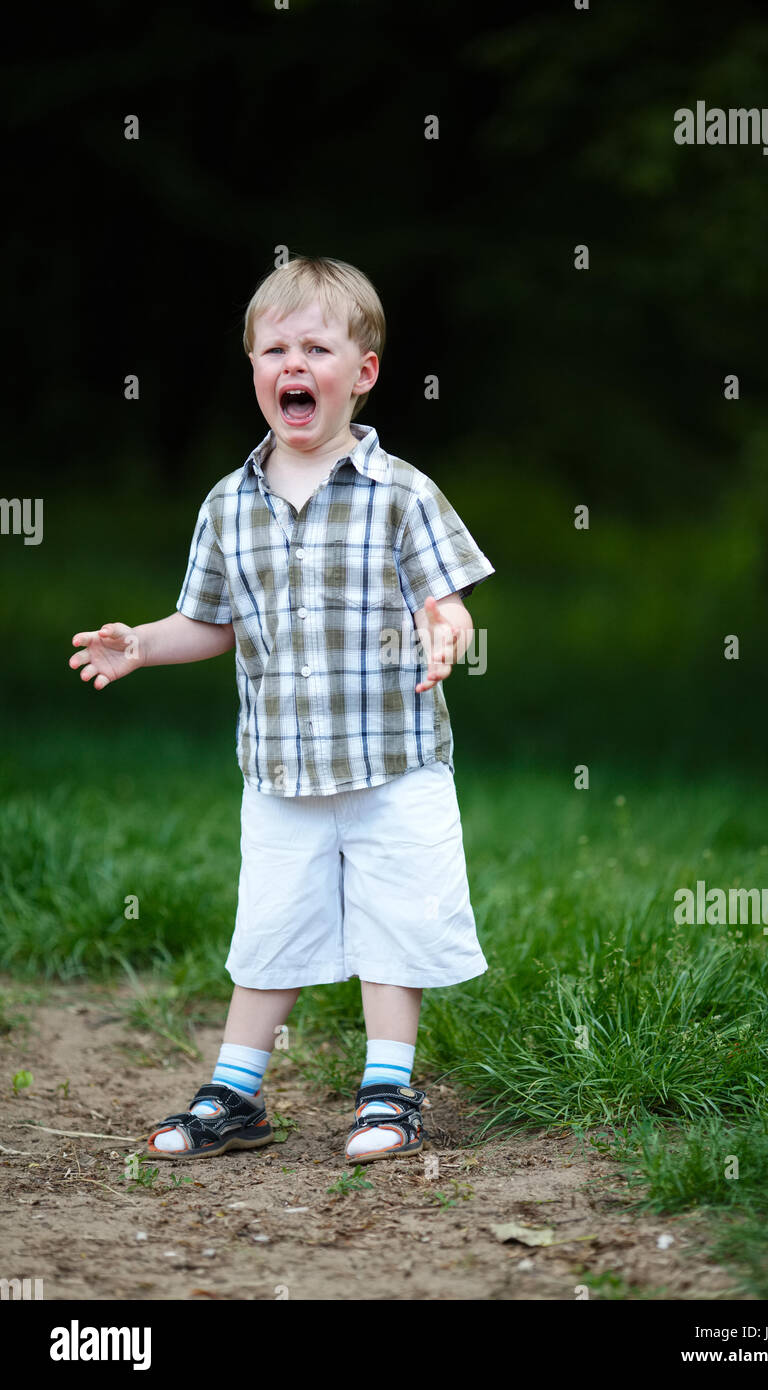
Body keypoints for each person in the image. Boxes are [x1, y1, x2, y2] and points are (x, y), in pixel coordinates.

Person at [68, 254, 495, 1164]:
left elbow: (447, 599)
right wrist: (140, 644)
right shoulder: (229, 504)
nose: (292, 364)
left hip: (393, 763)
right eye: (274, 350)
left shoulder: (402, 493)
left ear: (363, 373)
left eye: (316, 349)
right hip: (280, 772)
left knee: (396, 927)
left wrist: (448, 629)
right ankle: (235, 1097)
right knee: (269, 932)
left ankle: (388, 1092)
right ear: (255, 369)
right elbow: (208, 622)